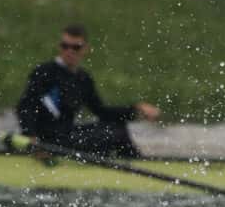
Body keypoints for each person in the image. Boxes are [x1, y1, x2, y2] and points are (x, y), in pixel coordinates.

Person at [16, 23, 160, 158]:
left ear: (85, 49)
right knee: (116, 134)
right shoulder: (44, 72)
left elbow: (102, 112)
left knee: (117, 127)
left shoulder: (83, 78)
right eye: (65, 46)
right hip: (48, 141)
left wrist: (136, 109)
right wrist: (31, 138)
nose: (69, 51)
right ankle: (135, 165)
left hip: (67, 134)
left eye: (76, 47)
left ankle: (131, 162)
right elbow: (25, 106)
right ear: (59, 47)